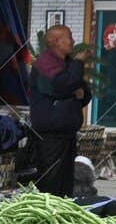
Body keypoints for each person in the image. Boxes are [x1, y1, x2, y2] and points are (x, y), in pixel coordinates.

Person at [28, 25, 91, 198]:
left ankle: (62, 216)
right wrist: (78, 64)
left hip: (67, 134)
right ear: (56, 41)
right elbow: (64, 85)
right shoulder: (45, 63)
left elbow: (83, 94)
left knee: (65, 184)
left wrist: (77, 90)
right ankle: (47, 220)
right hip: (51, 136)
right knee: (50, 183)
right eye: (69, 37)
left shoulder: (67, 63)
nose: (72, 41)